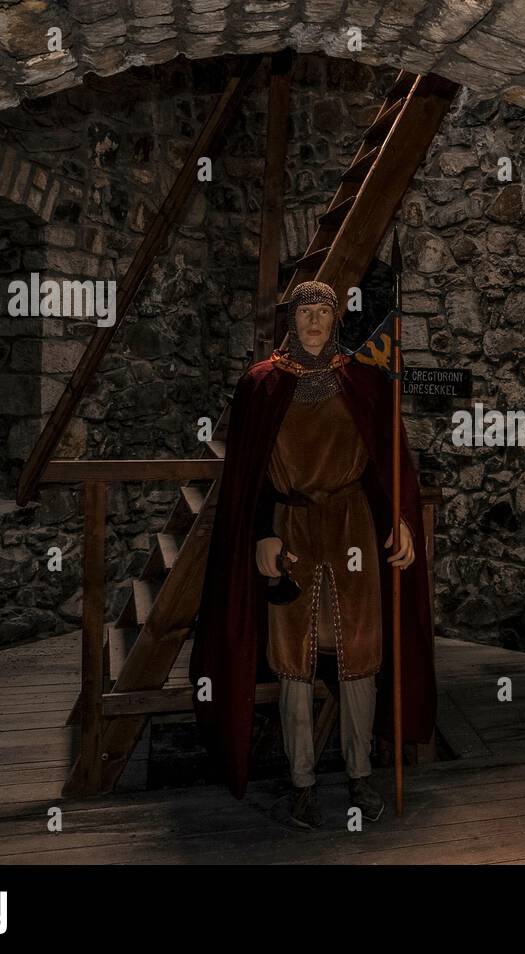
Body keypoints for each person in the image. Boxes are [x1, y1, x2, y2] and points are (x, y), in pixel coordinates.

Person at [190, 280, 436, 830]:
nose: (315, 320)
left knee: (360, 656)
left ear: (336, 318)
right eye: (305, 310)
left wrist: (399, 519)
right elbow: (245, 478)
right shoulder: (260, 386)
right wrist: (260, 532)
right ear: (292, 319)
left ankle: (360, 774)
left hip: (353, 529)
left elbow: (388, 462)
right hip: (289, 528)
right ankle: (302, 784)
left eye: (324, 310)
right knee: (292, 662)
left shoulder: (366, 381)